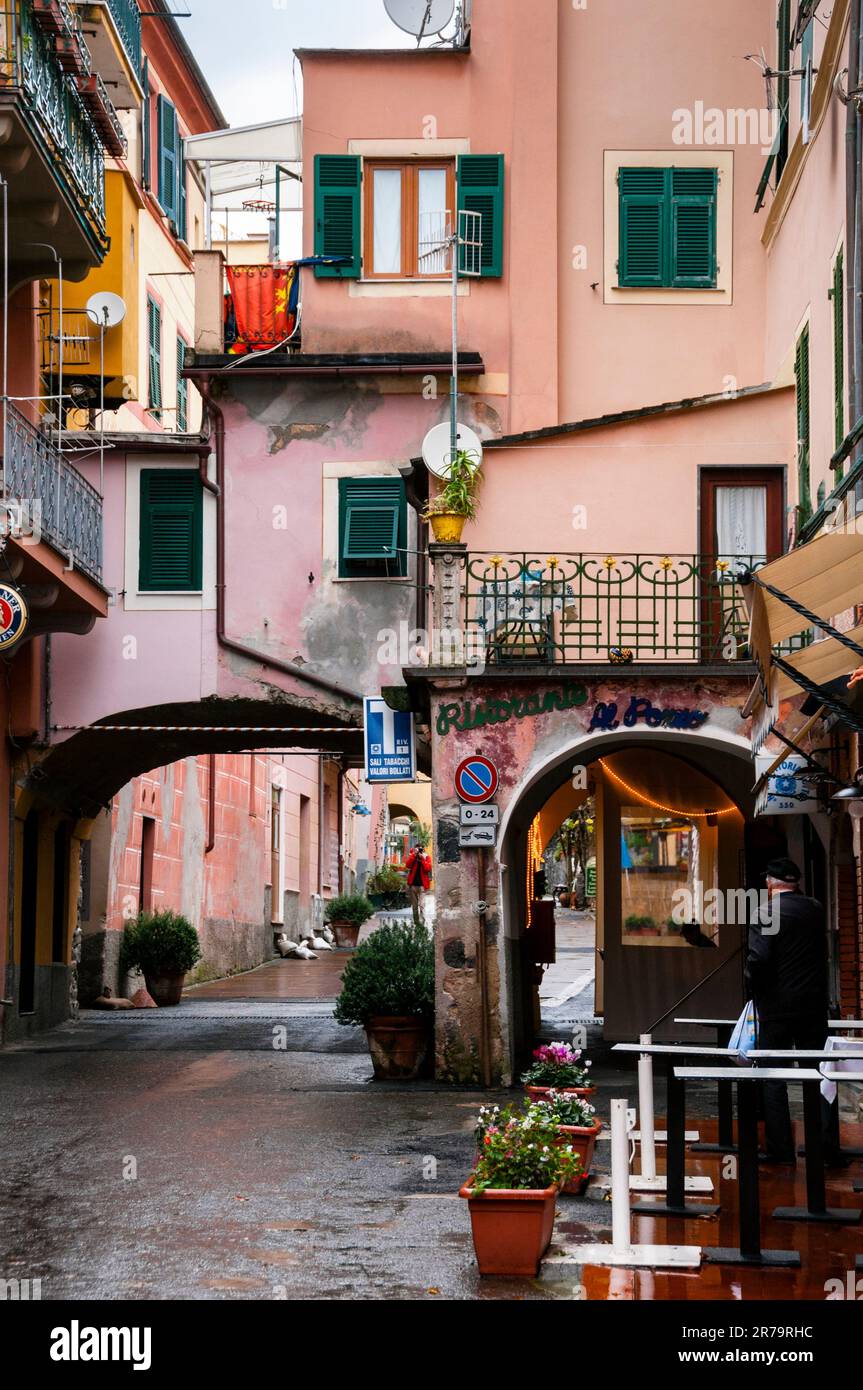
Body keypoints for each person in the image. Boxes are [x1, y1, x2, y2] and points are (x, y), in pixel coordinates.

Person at [745, 857, 832, 1164]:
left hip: (777, 1008)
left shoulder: (765, 912)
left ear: (770, 883)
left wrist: (753, 986)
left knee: (773, 1076)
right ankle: (825, 1147)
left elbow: (758, 960)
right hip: (813, 1006)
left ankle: (780, 1150)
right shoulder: (815, 909)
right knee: (822, 1074)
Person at [404, 844, 432, 928]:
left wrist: (422, 858)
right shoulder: (413, 856)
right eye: (418, 849)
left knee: (422, 905)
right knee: (415, 906)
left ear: (423, 850)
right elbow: (408, 865)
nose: (420, 851)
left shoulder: (426, 857)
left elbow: (427, 868)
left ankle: (422, 922)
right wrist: (414, 855)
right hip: (413, 885)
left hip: (422, 886)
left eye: (421, 849)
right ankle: (416, 923)